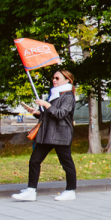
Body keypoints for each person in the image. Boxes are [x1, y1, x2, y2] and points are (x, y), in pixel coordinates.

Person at [12, 69, 79, 202]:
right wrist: (37, 112)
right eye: (53, 78)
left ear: (67, 80)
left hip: (61, 135)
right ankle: (31, 190)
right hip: (47, 134)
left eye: (57, 78)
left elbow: (60, 114)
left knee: (66, 163)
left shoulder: (68, 96)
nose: (54, 80)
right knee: (34, 160)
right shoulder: (54, 94)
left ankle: (70, 191)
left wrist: (46, 105)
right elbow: (49, 115)